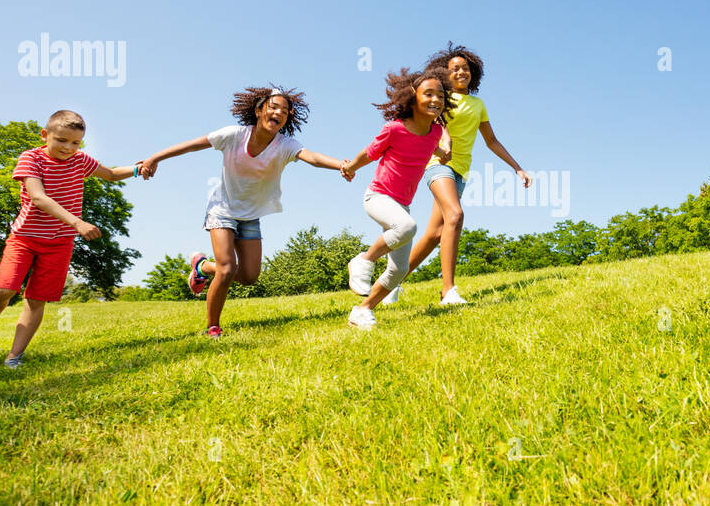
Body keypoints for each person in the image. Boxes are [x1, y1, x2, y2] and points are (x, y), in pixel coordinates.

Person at [137, 87, 345, 336]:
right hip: (222, 210)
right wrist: (154, 158)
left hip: (250, 216)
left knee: (248, 277)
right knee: (226, 269)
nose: (279, 112)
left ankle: (203, 267)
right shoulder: (234, 135)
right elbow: (192, 145)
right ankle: (212, 327)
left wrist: (341, 165)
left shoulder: (285, 145)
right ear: (259, 111)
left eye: (285, 111)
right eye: (273, 107)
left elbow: (312, 156)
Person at [0, 110, 137, 368]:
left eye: (75, 142)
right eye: (61, 140)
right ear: (45, 135)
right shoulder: (31, 158)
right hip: (25, 238)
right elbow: (38, 197)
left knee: (36, 299)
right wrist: (78, 222)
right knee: (4, 289)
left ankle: (14, 356)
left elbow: (110, 174)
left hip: (60, 243)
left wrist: (137, 169)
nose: (68, 148)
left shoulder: (80, 160)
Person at [405, 43, 530, 305]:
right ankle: (448, 291)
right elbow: (431, 123)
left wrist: (517, 168)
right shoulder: (440, 97)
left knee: (435, 234)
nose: (461, 72)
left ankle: (391, 281)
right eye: (455, 69)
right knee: (456, 214)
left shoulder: (477, 103)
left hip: (461, 169)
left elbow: (492, 140)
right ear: (444, 74)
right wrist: (444, 139)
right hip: (437, 163)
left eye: (466, 68)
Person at [343, 67, 454, 328]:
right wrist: (350, 168)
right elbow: (368, 154)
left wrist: (445, 149)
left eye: (440, 95)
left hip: (401, 205)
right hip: (378, 197)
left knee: (399, 269)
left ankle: (363, 309)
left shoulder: (434, 132)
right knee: (407, 227)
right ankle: (363, 260)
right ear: (413, 96)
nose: (436, 100)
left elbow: (438, 148)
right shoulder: (394, 129)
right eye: (429, 94)